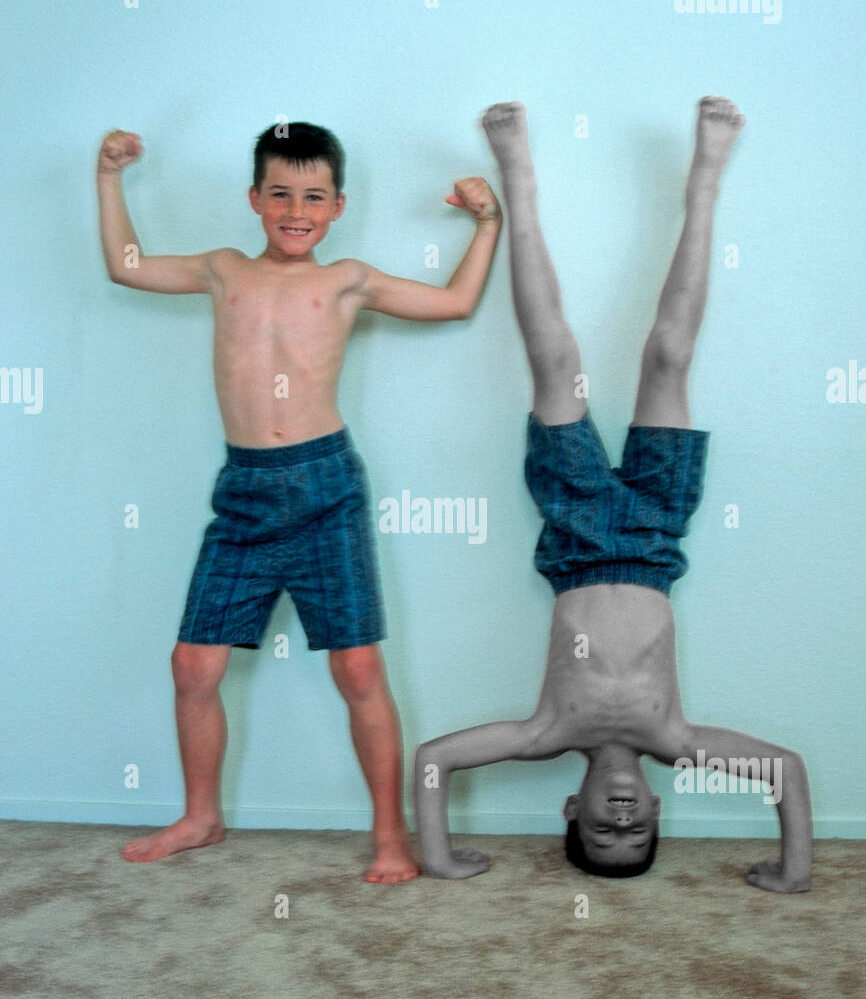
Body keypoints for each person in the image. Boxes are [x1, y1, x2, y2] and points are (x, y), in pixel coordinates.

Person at [413, 98, 813, 893]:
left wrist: (438, 856)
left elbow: (433, 763)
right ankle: (705, 180)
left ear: (570, 806)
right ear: (662, 808)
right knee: (668, 357)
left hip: (578, 538)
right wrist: (793, 870)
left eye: (603, 830)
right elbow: (787, 770)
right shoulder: (677, 739)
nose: (622, 822)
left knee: (554, 359)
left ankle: (518, 180)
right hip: (657, 537)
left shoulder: (543, 735)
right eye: (638, 833)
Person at [96, 120, 502, 882]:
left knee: (356, 669)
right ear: (254, 198)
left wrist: (488, 222)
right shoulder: (223, 270)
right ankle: (201, 815)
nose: (296, 208)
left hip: (325, 489)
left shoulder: (346, 278)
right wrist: (109, 177)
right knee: (193, 665)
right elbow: (126, 266)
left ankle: (390, 834)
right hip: (244, 491)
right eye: (280, 192)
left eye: (313, 196)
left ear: (337, 206)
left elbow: (455, 302)